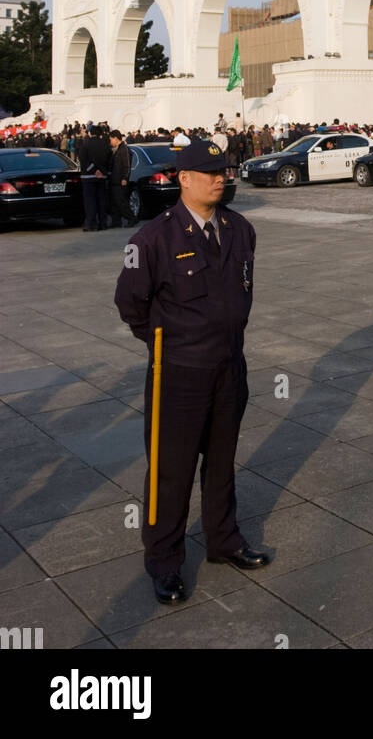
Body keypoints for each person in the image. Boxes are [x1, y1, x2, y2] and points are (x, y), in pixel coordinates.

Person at [114, 139, 270, 604]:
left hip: (229, 367)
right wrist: (175, 342)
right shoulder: (152, 239)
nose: (220, 178)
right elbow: (131, 305)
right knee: (171, 472)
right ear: (184, 178)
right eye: (209, 172)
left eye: (223, 171)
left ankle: (224, 541)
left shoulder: (240, 229)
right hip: (177, 373)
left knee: (221, 463)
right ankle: (164, 562)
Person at [78, 125, 112, 231]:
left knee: (90, 201)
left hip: (88, 176)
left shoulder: (86, 144)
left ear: (90, 133)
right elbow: (109, 160)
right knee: (102, 200)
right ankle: (103, 223)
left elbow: (82, 159)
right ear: (101, 134)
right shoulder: (106, 145)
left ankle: (91, 224)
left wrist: (93, 169)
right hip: (102, 177)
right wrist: (102, 171)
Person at [108, 129, 137, 228]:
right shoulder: (118, 149)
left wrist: (125, 178)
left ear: (116, 139)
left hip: (120, 180)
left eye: (111, 139)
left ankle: (132, 218)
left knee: (121, 202)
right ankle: (116, 222)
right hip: (115, 180)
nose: (110, 142)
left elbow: (127, 165)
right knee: (115, 202)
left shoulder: (124, 149)